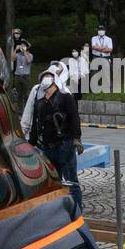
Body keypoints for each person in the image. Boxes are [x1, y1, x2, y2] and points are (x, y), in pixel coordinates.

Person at [29, 67, 83, 211]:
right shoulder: (39, 102)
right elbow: (35, 124)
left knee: (71, 182)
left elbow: (74, 118)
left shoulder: (66, 97)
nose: (45, 79)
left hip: (65, 144)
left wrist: (76, 138)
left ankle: (77, 211)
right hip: (48, 147)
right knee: (54, 183)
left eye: (48, 77)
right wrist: (31, 143)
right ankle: (60, 212)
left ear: (54, 81)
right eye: (43, 77)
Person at [10, 38, 33, 109]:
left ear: (27, 47)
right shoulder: (18, 54)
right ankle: (20, 111)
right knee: (19, 95)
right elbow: (12, 59)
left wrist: (25, 52)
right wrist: (15, 50)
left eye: (24, 46)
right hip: (18, 76)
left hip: (26, 77)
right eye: (21, 45)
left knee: (26, 95)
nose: (22, 47)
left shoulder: (30, 55)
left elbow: (28, 61)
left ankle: (27, 109)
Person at [90, 25, 113, 93]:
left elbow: (110, 50)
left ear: (105, 31)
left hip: (106, 57)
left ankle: (108, 89)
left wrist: (98, 48)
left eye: (102, 30)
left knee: (106, 73)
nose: (101, 31)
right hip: (96, 57)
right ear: (97, 31)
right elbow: (94, 47)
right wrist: (104, 47)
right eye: (99, 30)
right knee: (94, 72)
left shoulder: (109, 39)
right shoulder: (94, 38)